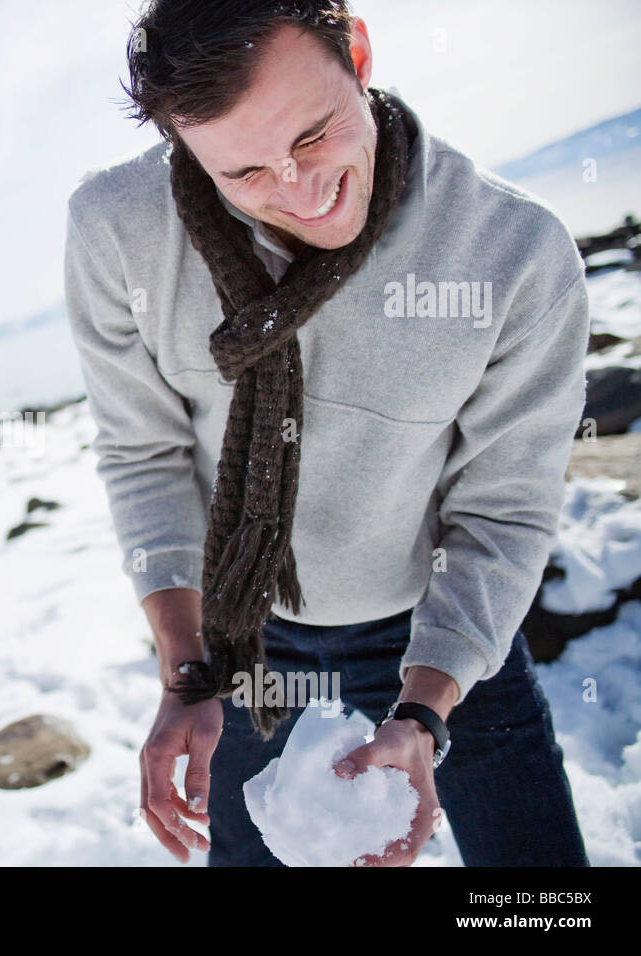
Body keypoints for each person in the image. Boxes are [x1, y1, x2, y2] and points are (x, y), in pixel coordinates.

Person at [64, 0, 589, 866]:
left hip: (442, 620)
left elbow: (504, 507)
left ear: (359, 53)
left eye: (314, 135)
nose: (302, 190)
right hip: (240, 637)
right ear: (181, 151)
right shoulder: (117, 230)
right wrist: (186, 667)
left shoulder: (514, 251)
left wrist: (424, 710)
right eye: (246, 173)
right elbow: (143, 452)